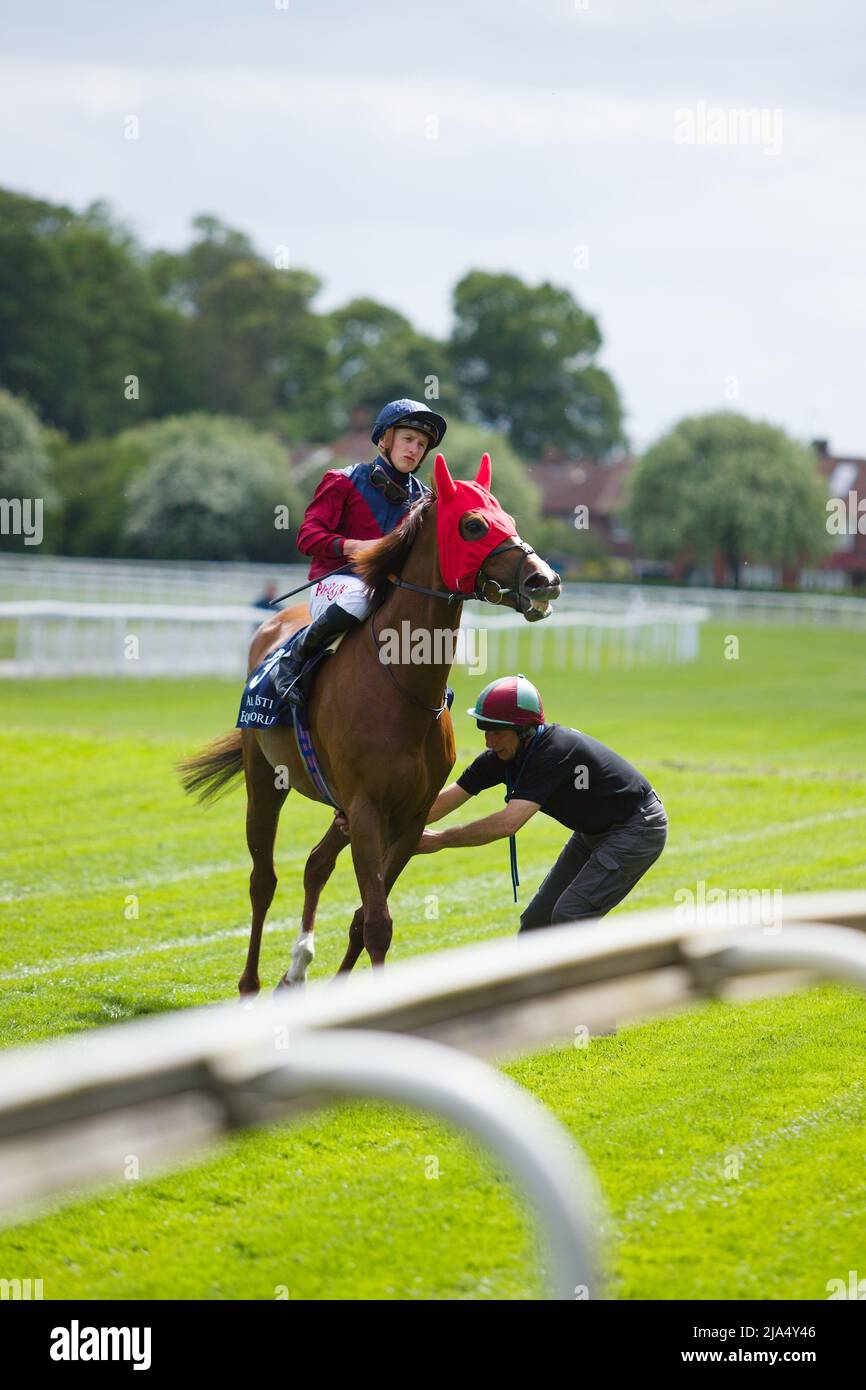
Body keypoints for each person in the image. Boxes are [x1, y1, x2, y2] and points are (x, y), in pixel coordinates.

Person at [415, 674, 668, 930]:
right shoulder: (501, 756)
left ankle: (625, 967)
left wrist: (441, 840)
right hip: (593, 832)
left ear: (524, 731)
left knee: (571, 915)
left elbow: (507, 824)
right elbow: (446, 800)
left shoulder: (554, 752)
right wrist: (392, 827)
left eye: (498, 732)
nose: (489, 741)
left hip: (638, 828)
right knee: (536, 923)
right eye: (485, 730)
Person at [275, 398, 447, 703]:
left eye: (421, 444)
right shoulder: (341, 481)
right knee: (361, 596)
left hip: (389, 592)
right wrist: (354, 546)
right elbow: (307, 537)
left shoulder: (424, 500)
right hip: (334, 585)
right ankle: (295, 657)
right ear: (384, 440)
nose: (414, 449)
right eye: (407, 439)